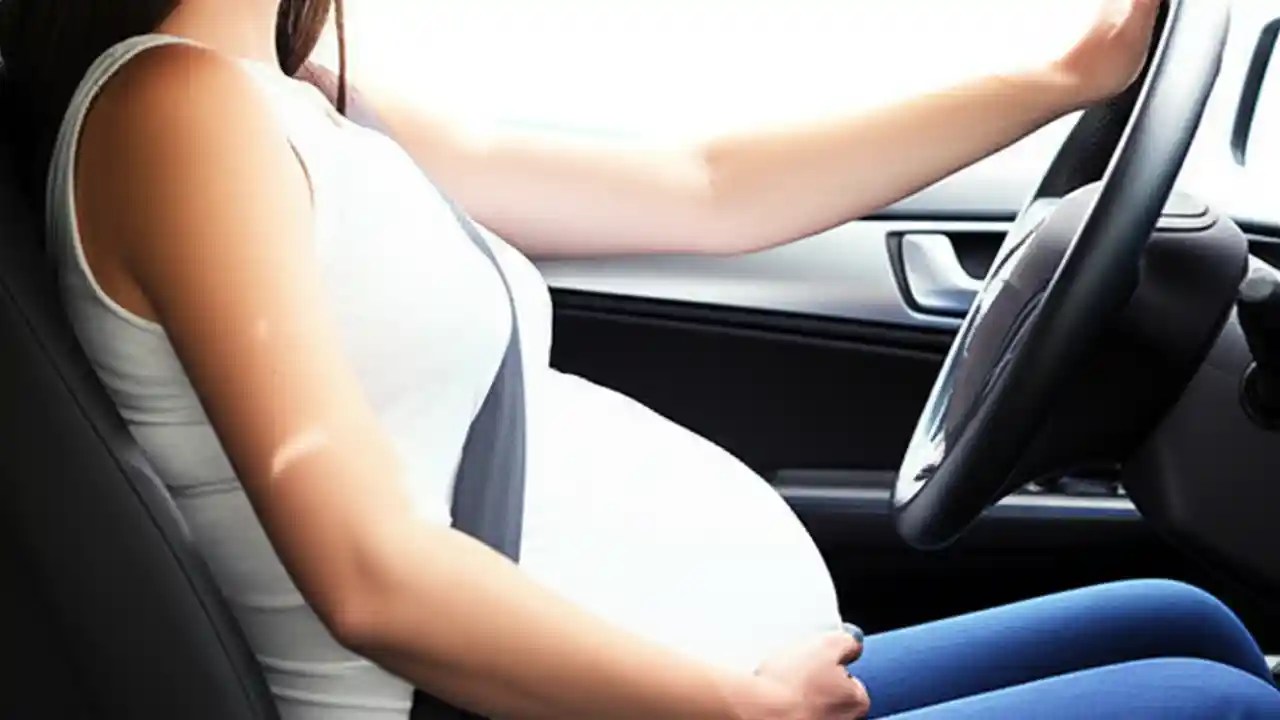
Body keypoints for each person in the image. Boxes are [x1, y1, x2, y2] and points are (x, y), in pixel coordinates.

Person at [0, 0, 1276, 717]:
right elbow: (370, 578)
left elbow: (702, 188)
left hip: (683, 686)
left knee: (1190, 623)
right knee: (1218, 704)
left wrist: (1063, 73)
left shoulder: (300, 94)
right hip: (537, 712)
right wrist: (727, 709)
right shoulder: (175, 116)